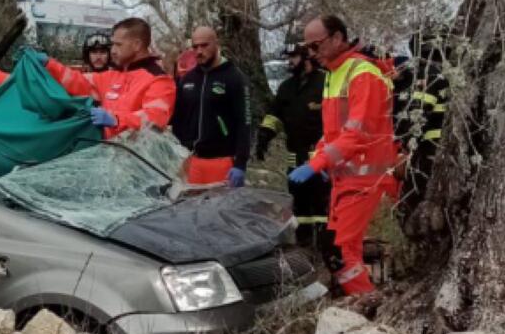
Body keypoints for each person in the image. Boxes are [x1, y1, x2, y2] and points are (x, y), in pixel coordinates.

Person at [288, 14, 398, 309]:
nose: (311, 53)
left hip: (364, 176)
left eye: (316, 45)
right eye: (307, 47)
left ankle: (368, 306)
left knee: (339, 249)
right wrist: (320, 159)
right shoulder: (335, 74)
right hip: (346, 177)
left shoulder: (362, 74)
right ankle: (365, 300)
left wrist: (317, 163)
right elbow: (334, 132)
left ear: (337, 38)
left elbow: (358, 134)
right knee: (339, 247)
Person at [256, 39, 334, 260]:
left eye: (294, 58)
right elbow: (275, 116)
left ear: (307, 58)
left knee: (322, 209)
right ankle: (305, 250)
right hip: (294, 159)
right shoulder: (286, 87)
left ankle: (326, 251)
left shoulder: (325, 83)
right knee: (299, 207)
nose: (289, 62)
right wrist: (265, 136)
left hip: (320, 160)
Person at [35, 17, 175, 137]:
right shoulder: (112, 75)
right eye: (112, 44)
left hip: (136, 162)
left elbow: (155, 118)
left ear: (137, 45)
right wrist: (49, 65)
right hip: (107, 156)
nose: (112, 50)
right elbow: (78, 81)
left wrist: (117, 120)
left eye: (118, 44)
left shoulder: (159, 80)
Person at [170, 26, 251, 186]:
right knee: (191, 209)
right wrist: (178, 153)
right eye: (195, 46)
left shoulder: (234, 77)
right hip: (192, 160)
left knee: (219, 210)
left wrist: (241, 162)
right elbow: (178, 118)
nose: (199, 51)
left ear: (216, 44)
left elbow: (245, 122)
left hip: (222, 161)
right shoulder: (188, 79)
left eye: (204, 45)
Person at [392, 30, 450, 233]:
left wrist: (405, 147)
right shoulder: (439, 75)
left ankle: (413, 247)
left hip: (426, 152)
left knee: (413, 202)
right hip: (432, 151)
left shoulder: (429, 78)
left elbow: (418, 116)